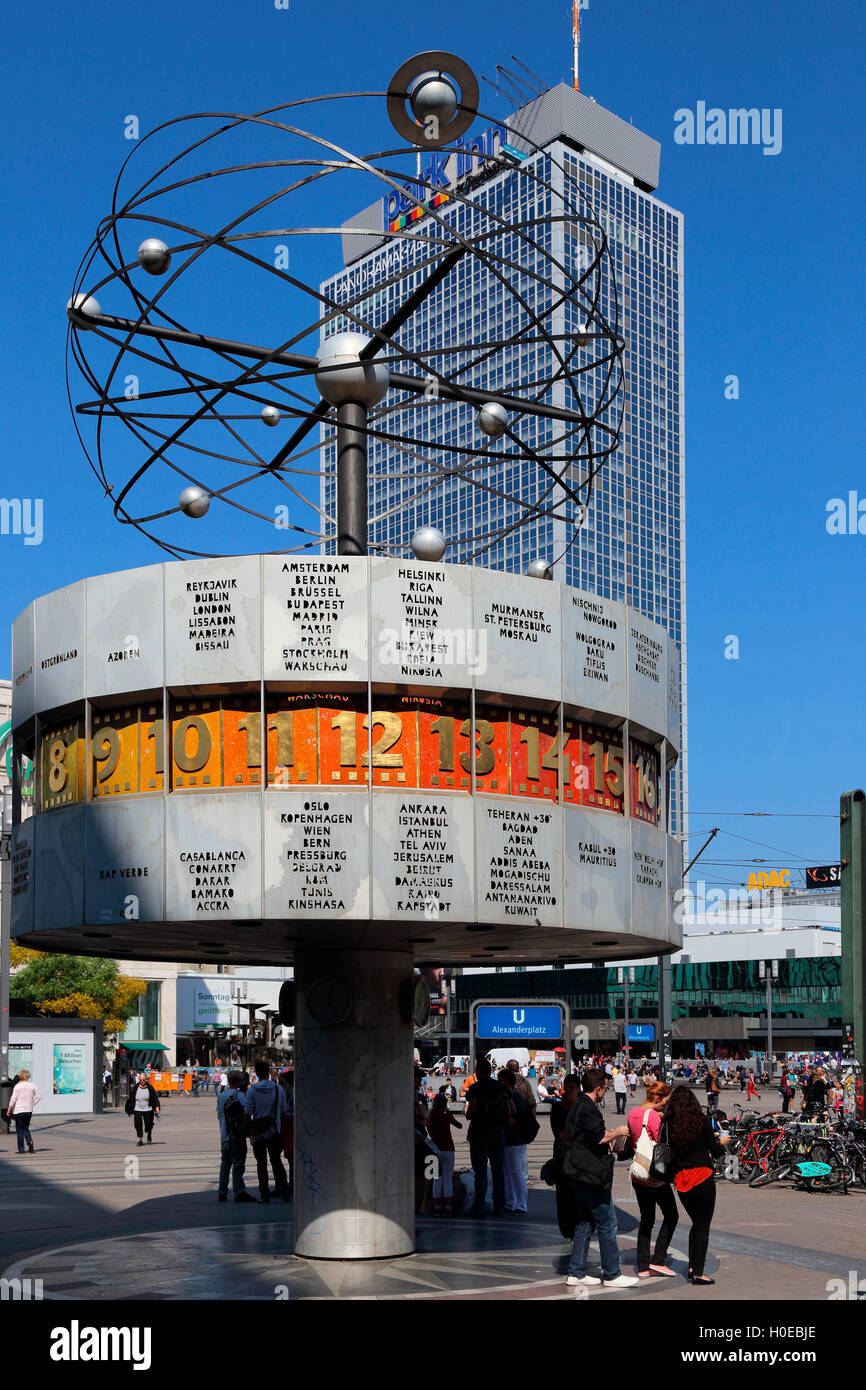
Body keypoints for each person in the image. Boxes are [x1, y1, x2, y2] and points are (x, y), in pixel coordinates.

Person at [560, 1068, 638, 1289]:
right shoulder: (589, 1108)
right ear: (598, 1088)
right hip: (589, 1174)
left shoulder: (578, 1105)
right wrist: (619, 1131)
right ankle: (612, 1273)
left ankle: (576, 1272)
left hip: (575, 1171)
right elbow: (600, 1137)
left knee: (585, 1221)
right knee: (607, 1221)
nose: (606, 1091)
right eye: (605, 1087)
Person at [667, 1085, 729, 1285]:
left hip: (681, 1180)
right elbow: (716, 1151)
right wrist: (724, 1142)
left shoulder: (668, 1122)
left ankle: (693, 1265)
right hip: (702, 1177)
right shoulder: (701, 1120)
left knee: (696, 1223)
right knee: (702, 1226)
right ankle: (698, 1272)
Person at [627, 1080, 678, 1278]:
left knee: (646, 1219)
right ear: (657, 1098)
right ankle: (658, 1260)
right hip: (655, 1176)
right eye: (665, 1100)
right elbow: (662, 1145)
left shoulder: (633, 1114)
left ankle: (642, 1267)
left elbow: (633, 1141)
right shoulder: (654, 1117)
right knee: (671, 1215)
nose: (666, 1104)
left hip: (639, 1174)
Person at [465, 1057, 509, 1216]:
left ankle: (479, 1206)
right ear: (490, 1071)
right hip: (498, 1133)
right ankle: (500, 1206)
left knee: (481, 1172)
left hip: (480, 1134)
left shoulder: (475, 1088)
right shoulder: (500, 1087)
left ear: (477, 1072)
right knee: (498, 1172)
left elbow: (472, 1110)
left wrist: (469, 1115)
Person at [244, 1058, 290, 1204]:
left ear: (256, 1073)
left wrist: (248, 1131)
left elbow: (247, 1114)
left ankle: (264, 1195)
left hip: (258, 1133)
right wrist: (282, 1131)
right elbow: (283, 1113)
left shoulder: (252, 1090)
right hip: (275, 1131)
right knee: (276, 1161)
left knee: (261, 1164)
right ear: (268, 1073)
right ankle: (284, 1192)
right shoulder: (278, 1089)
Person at [217, 1070, 255, 1203]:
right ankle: (239, 1191)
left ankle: (222, 1191)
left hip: (224, 1135)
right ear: (238, 1081)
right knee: (238, 1164)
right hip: (236, 1135)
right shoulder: (239, 1095)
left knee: (225, 1164)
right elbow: (247, 1114)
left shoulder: (221, 1096)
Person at [427, 1093, 462, 1215]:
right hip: (448, 1150)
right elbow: (460, 1126)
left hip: (434, 1151)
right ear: (445, 1104)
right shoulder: (447, 1116)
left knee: (436, 1179)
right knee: (448, 1179)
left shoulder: (429, 1117)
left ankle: (437, 1207)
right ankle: (447, 1207)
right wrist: (450, 1116)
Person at [499, 1068, 528, 1213]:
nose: (500, 1083)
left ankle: (521, 1204)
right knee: (508, 1172)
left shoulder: (515, 1097)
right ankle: (511, 1202)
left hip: (516, 1139)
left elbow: (518, 1117)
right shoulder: (506, 1096)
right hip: (507, 1139)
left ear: (508, 1081)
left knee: (515, 1171)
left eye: (502, 1080)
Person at [7, 1070, 41, 1154]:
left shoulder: (18, 1086)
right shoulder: (33, 1086)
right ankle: (29, 1141)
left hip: (19, 1111)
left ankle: (21, 1150)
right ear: (28, 1076)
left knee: (20, 1130)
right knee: (26, 1128)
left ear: (20, 1076)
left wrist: (9, 1109)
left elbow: (13, 1099)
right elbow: (38, 1097)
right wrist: (33, 1103)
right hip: (28, 1110)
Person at [126, 1072, 159, 1146]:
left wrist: (157, 1106)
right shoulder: (136, 1087)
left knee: (148, 1124)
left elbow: (155, 1097)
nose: (142, 1081)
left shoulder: (150, 1087)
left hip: (148, 1109)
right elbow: (131, 1099)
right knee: (138, 1124)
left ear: (146, 1079)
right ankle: (140, 1140)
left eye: (144, 1080)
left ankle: (149, 1134)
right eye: (141, 1080)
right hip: (137, 1108)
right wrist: (129, 1110)